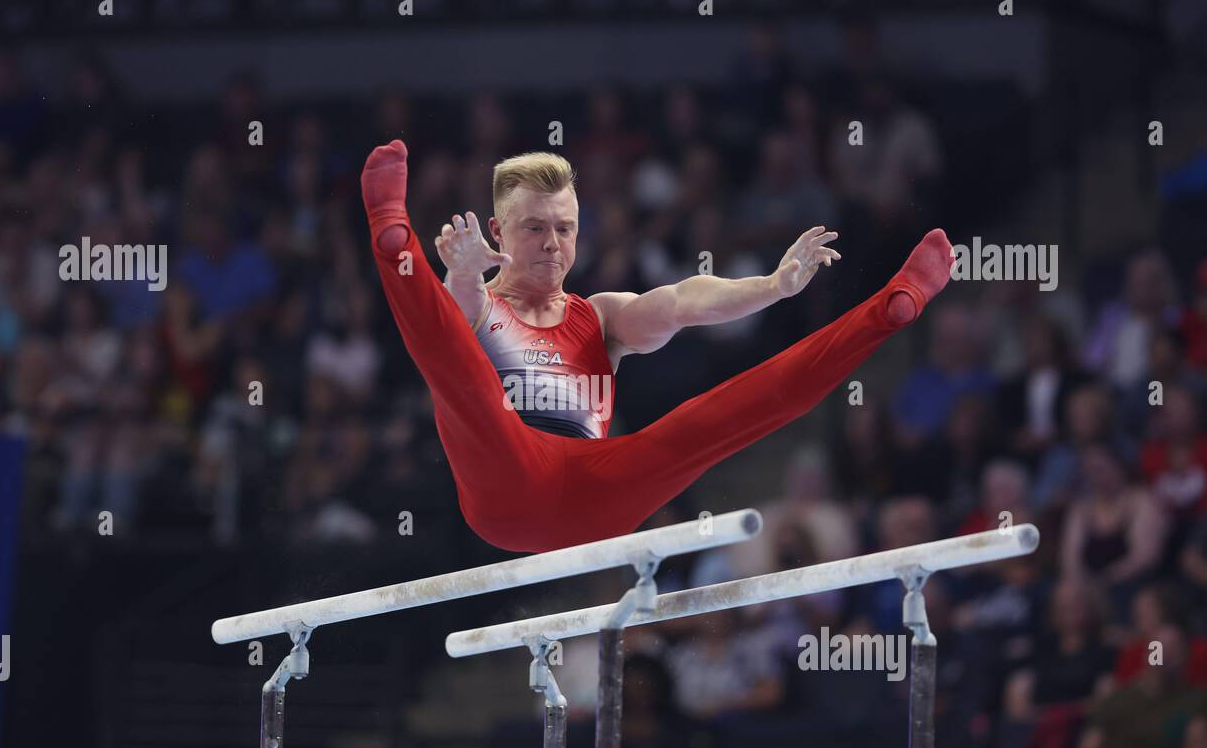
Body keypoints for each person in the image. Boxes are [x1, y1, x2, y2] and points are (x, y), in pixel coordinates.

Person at [360, 139, 953, 552]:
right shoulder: (478, 302)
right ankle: (392, 233)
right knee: (461, 374)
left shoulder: (600, 317)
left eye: (564, 228)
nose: (551, 244)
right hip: (502, 487)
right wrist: (462, 276)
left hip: (600, 494)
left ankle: (889, 308)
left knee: (718, 416)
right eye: (533, 227)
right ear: (497, 231)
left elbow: (684, 300)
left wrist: (773, 287)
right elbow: (452, 333)